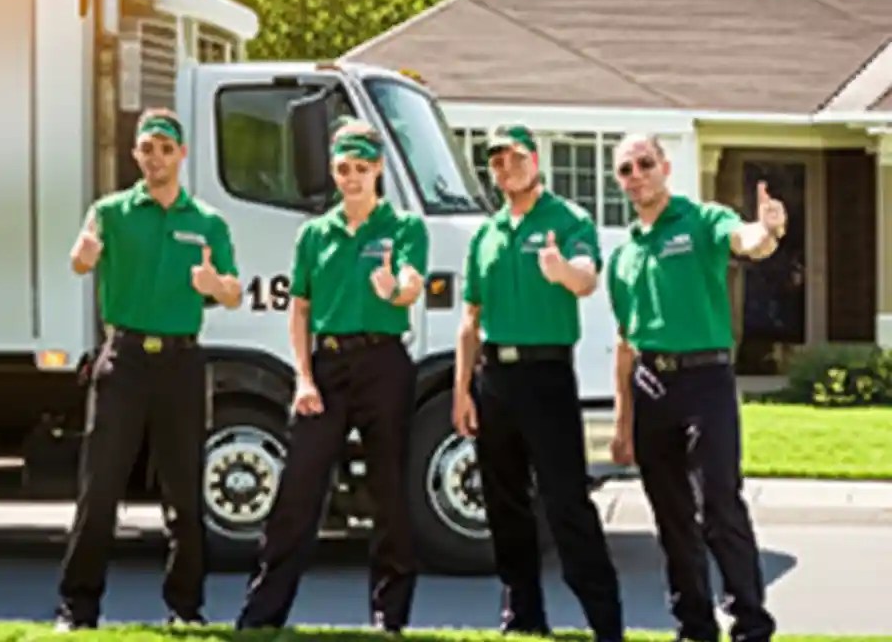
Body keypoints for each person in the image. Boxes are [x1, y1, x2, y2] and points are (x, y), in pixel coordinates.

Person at [236, 119, 428, 635]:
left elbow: (412, 283)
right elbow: (299, 308)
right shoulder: (313, 234)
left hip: (383, 363)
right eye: (343, 169)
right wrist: (303, 377)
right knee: (299, 488)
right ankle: (262, 615)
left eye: (361, 168)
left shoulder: (403, 228)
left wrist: (394, 288)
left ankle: (390, 617)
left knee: (389, 493)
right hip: (326, 367)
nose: (352, 178)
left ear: (379, 170)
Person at [54, 108, 242, 631]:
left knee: (184, 494)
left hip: (181, 364)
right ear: (136, 155)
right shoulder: (111, 212)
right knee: (101, 489)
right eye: (148, 148)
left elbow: (234, 291)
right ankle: (78, 607)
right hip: (125, 361)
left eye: (166, 148)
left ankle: (185, 609)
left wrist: (214, 286)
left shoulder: (207, 223)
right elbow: (78, 260)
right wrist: (84, 255)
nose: (156, 157)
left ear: (182, 155)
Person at [605, 134, 781, 642]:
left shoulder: (702, 220)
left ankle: (750, 623)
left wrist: (767, 230)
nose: (636, 175)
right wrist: (623, 426)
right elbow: (624, 343)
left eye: (644, 164)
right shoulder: (623, 258)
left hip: (706, 381)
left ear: (664, 167)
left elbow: (746, 240)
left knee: (719, 505)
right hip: (649, 384)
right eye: (625, 170)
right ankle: (693, 626)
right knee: (671, 517)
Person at [453, 124, 624, 641]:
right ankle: (523, 614)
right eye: (496, 161)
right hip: (494, 378)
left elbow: (587, 278)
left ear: (535, 160)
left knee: (565, 501)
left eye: (515, 157)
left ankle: (605, 620)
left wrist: (559, 270)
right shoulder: (487, 233)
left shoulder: (567, 220)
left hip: (546, 375)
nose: (506, 167)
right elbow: (470, 318)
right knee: (504, 504)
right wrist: (462, 390)